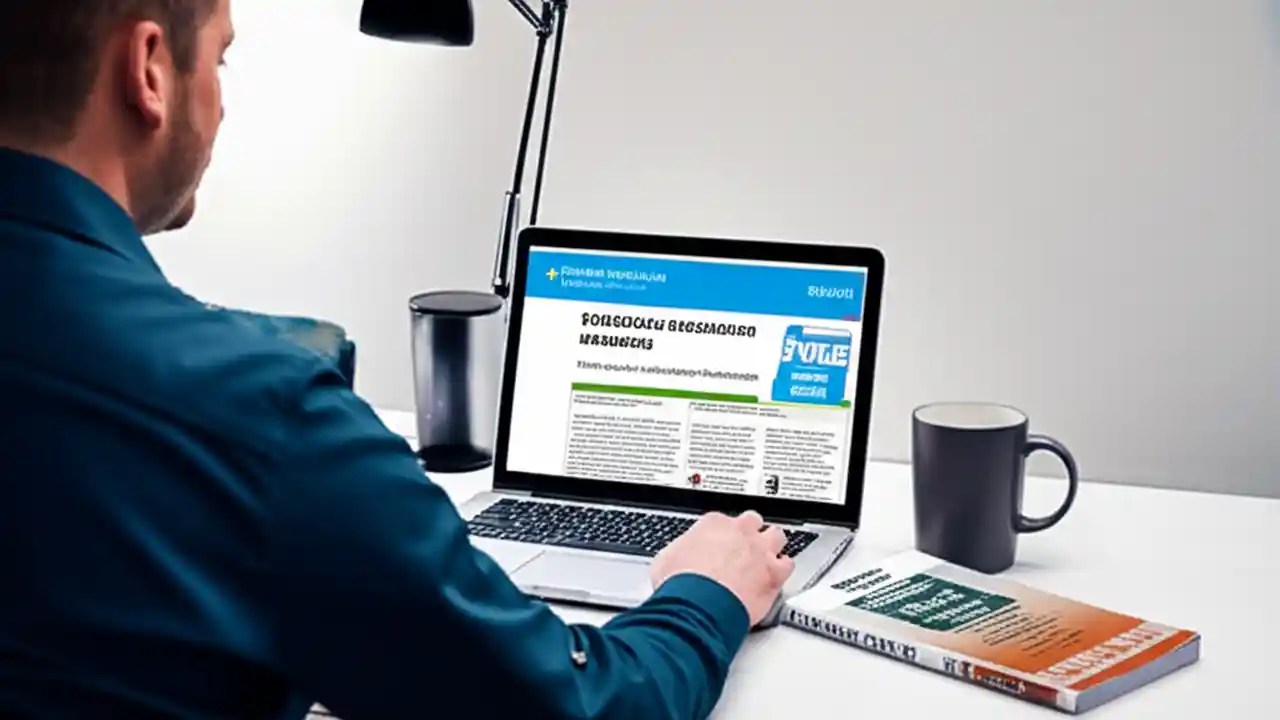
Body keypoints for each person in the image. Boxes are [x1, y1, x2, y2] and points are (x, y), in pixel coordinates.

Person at [0, 2, 794, 718]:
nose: (222, 100)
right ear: (148, 72)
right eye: (219, 59)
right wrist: (706, 593)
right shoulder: (257, 412)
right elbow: (578, 707)